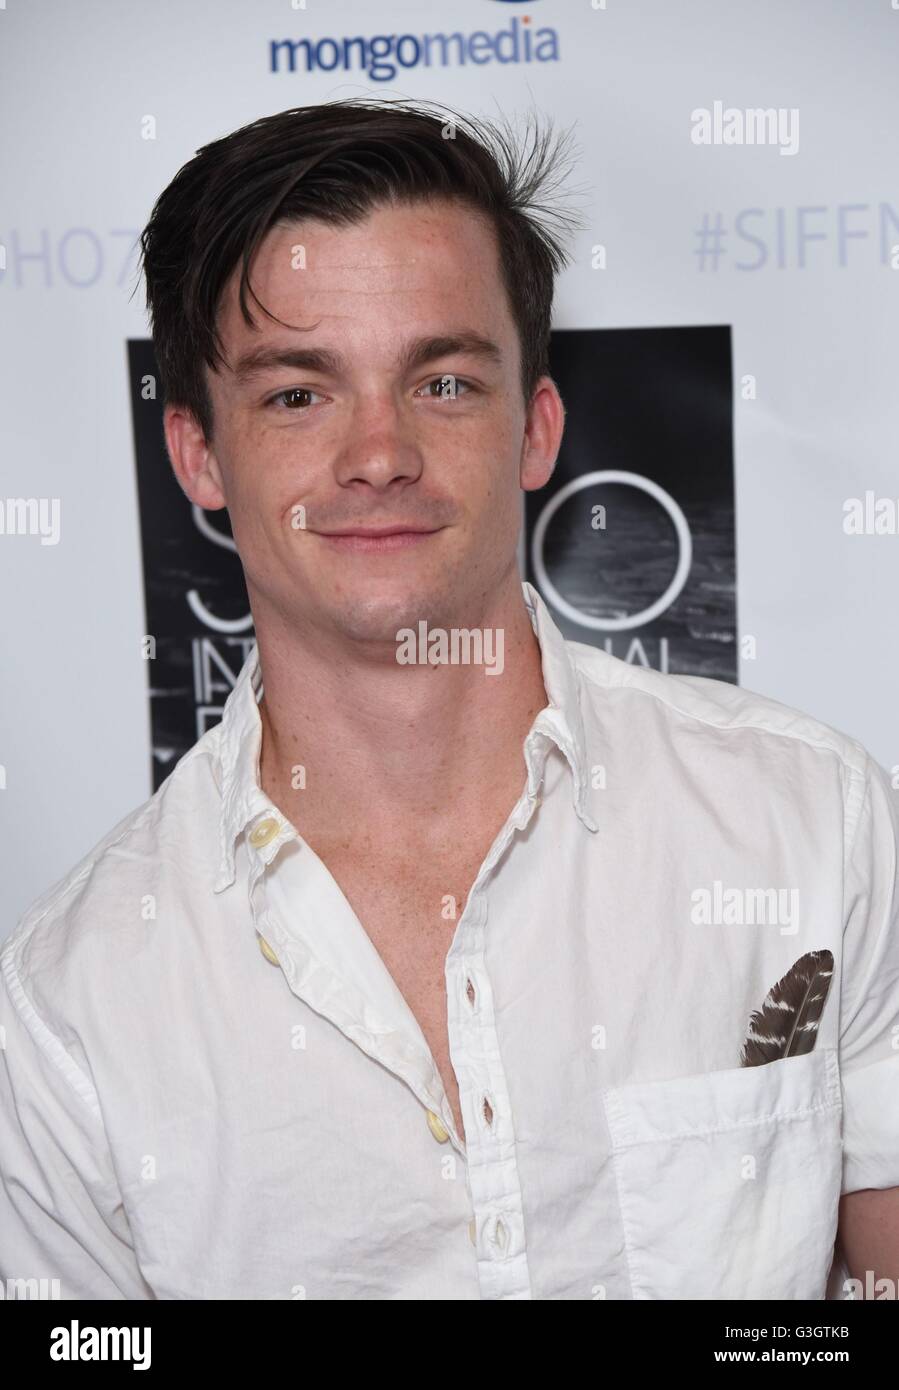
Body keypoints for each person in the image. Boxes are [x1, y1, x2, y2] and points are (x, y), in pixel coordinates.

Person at [1, 98, 897, 1301]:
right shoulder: (72, 999)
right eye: (297, 395)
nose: (379, 454)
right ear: (197, 454)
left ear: (534, 429)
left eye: (441, 383)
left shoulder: (810, 821)